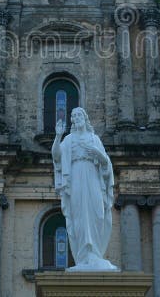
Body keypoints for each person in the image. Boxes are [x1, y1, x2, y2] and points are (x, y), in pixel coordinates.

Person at [51, 107, 118, 271]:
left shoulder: (94, 139)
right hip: (76, 177)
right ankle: (83, 257)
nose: (76, 117)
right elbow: (57, 156)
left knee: (98, 212)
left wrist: (98, 154)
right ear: (72, 121)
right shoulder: (69, 140)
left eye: (79, 115)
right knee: (78, 215)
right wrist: (58, 136)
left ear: (85, 117)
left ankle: (95, 254)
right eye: (73, 116)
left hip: (93, 177)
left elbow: (106, 163)